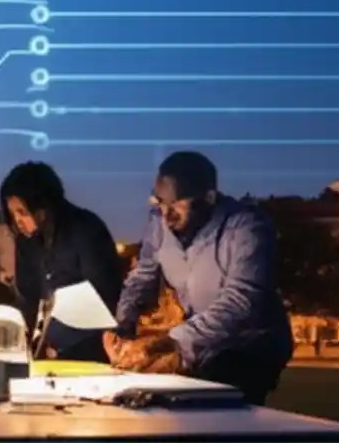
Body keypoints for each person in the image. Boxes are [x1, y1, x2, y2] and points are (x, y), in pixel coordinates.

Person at [105, 151, 293, 405]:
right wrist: (122, 327)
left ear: (209, 198)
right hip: (199, 343)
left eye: (177, 206)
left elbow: (241, 302)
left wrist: (167, 341)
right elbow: (142, 277)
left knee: (217, 413)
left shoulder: (247, 227)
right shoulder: (159, 223)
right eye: (160, 204)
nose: (166, 215)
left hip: (250, 345)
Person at [0, 162, 125, 363]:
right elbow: (27, 298)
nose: (18, 221)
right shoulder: (26, 242)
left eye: (22, 212)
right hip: (46, 355)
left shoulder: (86, 229)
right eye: (13, 214)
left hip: (91, 351)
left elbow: (106, 296)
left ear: (44, 206)